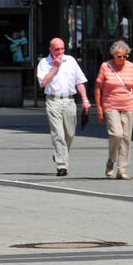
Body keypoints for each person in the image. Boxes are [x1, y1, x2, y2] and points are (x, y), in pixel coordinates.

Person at [36, 37, 90, 176]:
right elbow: (43, 83)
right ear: (50, 49)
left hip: (69, 101)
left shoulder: (71, 61)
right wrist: (55, 67)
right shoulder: (44, 63)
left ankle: (60, 154)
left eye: (62, 49)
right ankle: (62, 165)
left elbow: (79, 82)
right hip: (53, 101)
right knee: (58, 134)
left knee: (70, 134)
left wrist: (85, 100)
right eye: (57, 49)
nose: (60, 52)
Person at [94, 40, 133, 180]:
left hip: (128, 106)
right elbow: (98, 88)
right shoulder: (105, 67)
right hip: (110, 105)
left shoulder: (131, 67)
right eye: (119, 56)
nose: (122, 59)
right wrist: (99, 108)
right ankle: (111, 161)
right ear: (113, 55)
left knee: (126, 138)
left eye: (125, 56)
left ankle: (122, 170)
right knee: (116, 134)